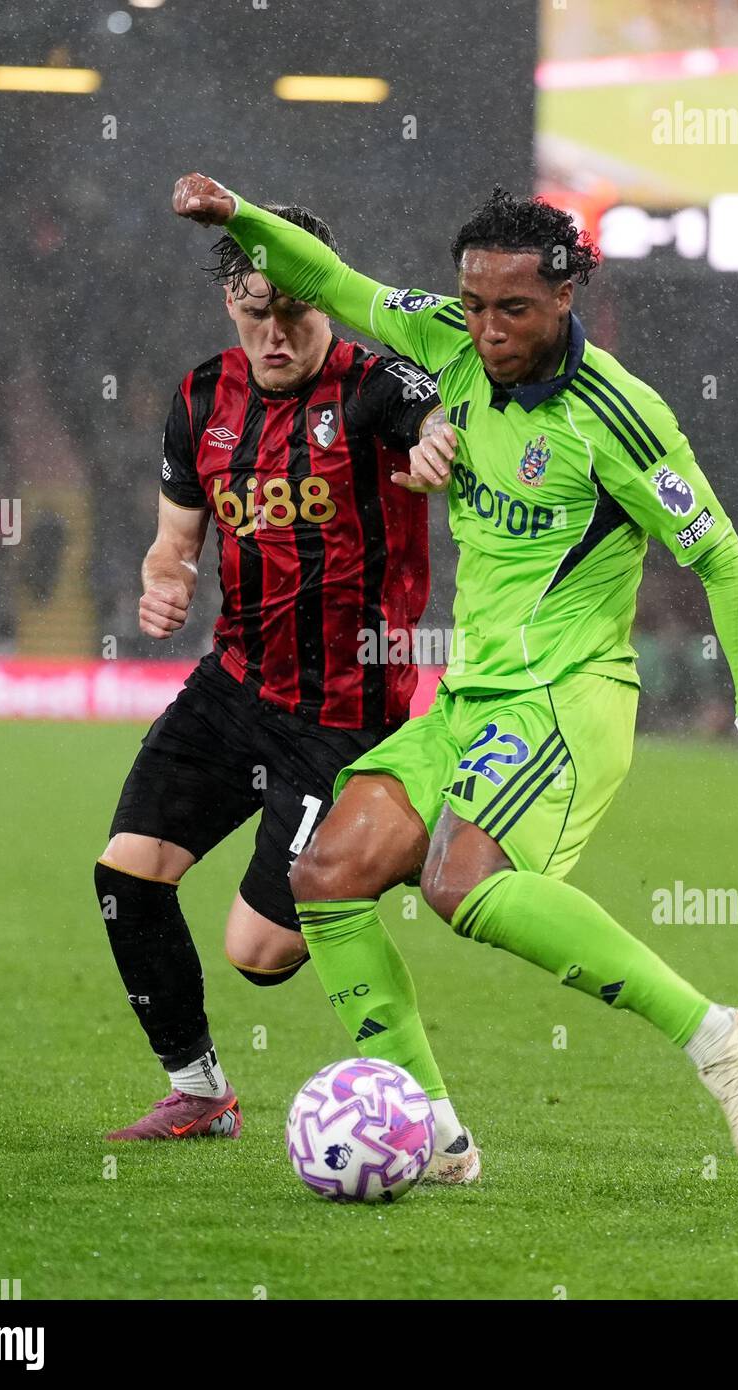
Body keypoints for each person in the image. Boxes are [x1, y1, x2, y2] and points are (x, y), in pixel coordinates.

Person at [172, 172, 738, 1160]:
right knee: (327, 875)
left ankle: (718, 1034)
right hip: (471, 696)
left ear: (565, 296)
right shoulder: (442, 343)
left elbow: (719, 556)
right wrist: (238, 217)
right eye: (473, 305)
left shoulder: (620, 417)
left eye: (512, 308)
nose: (487, 329)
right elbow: (334, 279)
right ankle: (430, 1131)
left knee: (458, 882)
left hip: (568, 697)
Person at [96, 204, 478, 1179]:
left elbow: (433, 414)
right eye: (256, 310)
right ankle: (198, 1090)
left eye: (297, 312)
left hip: (344, 715)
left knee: (259, 954)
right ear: (230, 299)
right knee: (125, 880)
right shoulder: (200, 398)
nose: (275, 333)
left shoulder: (375, 386)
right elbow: (175, 539)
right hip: (231, 687)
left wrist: (437, 441)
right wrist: (163, 578)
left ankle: (384, 834)